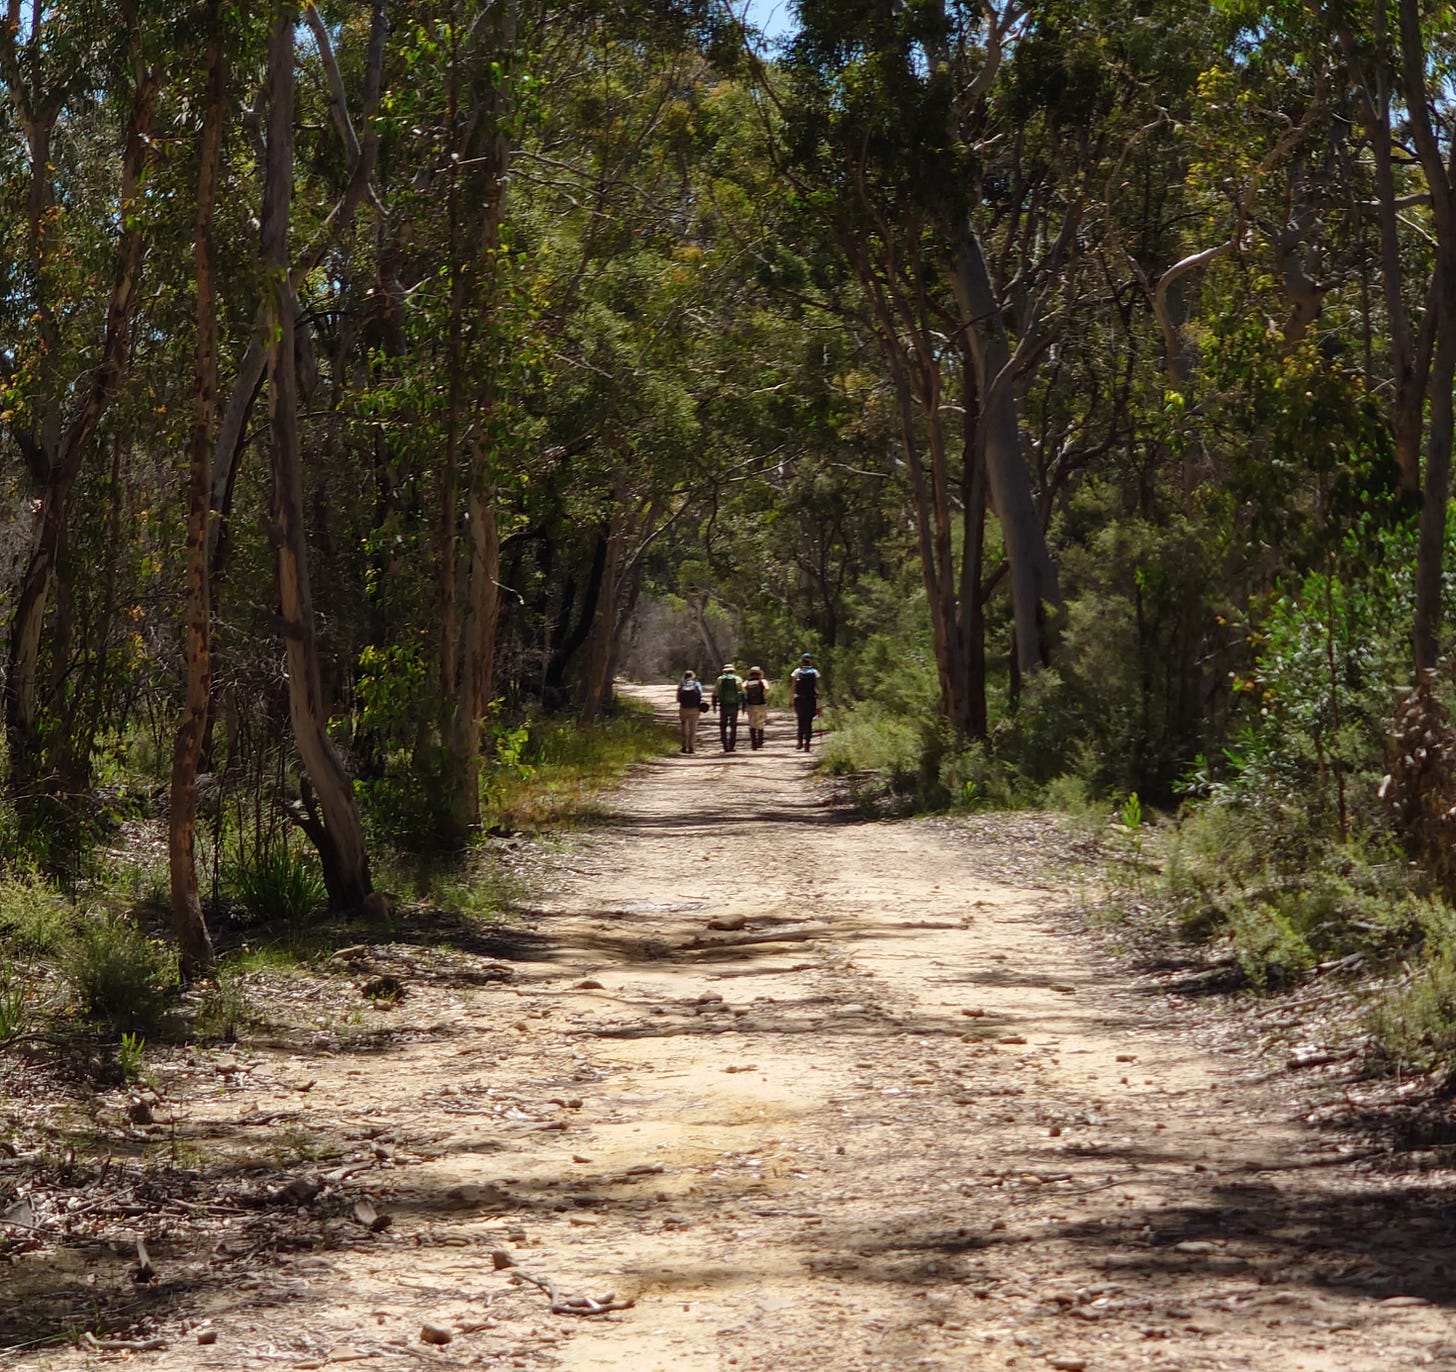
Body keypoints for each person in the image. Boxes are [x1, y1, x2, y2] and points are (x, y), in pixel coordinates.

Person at [789, 652, 820, 751]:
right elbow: (817, 688)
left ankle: (799, 742)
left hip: (799, 699)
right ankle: (807, 744)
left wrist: (790, 700)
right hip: (810, 699)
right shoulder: (814, 672)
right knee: (809, 722)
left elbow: (793, 687)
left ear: (801, 661)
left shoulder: (797, 671)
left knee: (800, 720)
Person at [712, 662, 744, 752]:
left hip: (723, 705)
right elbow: (742, 693)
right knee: (733, 725)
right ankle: (732, 745)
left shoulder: (720, 679)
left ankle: (725, 745)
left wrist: (714, 705)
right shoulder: (738, 679)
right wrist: (744, 706)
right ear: (733, 671)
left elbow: (715, 693)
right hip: (734, 705)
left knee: (723, 725)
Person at [676, 670, 703, 753]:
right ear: (693, 676)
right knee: (693, 729)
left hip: (683, 708)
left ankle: (684, 747)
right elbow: (700, 695)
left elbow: (678, 698)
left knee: (684, 728)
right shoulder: (696, 684)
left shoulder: (681, 684)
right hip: (694, 709)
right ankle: (691, 747)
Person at [742, 666, 769, 750]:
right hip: (761, 704)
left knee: (752, 723)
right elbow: (767, 689)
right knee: (760, 722)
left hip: (750, 704)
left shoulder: (746, 682)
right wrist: (763, 695)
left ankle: (753, 743)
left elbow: (742, 689)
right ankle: (760, 742)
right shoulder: (762, 681)